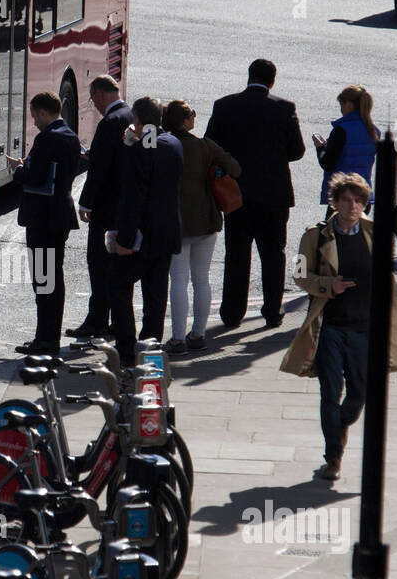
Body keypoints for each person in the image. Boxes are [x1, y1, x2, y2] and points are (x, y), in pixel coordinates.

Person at [280, 172, 397, 481]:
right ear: (335, 202)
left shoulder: (375, 232)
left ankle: (339, 426)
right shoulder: (315, 236)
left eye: (359, 201)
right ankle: (333, 458)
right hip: (330, 327)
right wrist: (330, 285)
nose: (353, 206)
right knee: (330, 392)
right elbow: (301, 275)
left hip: (365, 328)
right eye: (346, 200)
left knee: (360, 393)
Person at [206, 58, 306, 328]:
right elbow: (297, 150)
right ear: (272, 81)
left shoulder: (225, 105)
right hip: (274, 196)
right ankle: (272, 311)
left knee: (237, 254)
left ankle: (232, 313)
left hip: (237, 195)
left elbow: (211, 147)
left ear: (249, 76)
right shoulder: (284, 108)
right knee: (273, 254)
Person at [108, 96, 184, 365]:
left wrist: (125, 240)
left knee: (118, 287)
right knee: (155, 293)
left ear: (137, 120)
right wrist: (136, 143)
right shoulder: (173, 143)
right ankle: (151, 346)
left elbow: (134, 196)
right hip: (167, 233)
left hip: (141, 237)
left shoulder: (144, 149)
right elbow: (153, 158)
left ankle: (127, 350)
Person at [162, 99, 241, 354]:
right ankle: (198, 334)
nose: (194, 118)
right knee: (201, 280)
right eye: (191, 115)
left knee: (178, 279)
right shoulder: (205, 146)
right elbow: (235, 169)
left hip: (176, 223)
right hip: (206, 221)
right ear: (185, 121)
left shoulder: (163, 146)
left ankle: (176, 339)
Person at [8, 91, 81, 355]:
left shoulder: (47, 138)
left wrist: (19, 170)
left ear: (42, 112)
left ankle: (46, 340)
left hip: (42, 219)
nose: (34, 123)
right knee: (53, 279)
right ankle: (48, 337)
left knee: (43, 281)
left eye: (34, 116)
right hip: (60, 215)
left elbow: (35, 176)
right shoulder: (71, 137)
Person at [69, 75, 134, 339]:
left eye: (92, 98)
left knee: (98, 262)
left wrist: (85, 202)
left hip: (107, 207)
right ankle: (118, 320)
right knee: (120, 266)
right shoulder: (131, 115)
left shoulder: (109, 122)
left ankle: (97, 319)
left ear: (99, 93)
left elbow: (100, 169)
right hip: (127, 205)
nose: (93, 104)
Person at [315, 85, 379, 218]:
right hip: (363, 195)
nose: (341, 110)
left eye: (342, 105)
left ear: (349, 105)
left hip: (343, 196)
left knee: (331, 236)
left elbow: (327, 163)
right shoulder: (373, 131)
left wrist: (320, 148)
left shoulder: (341, 130)